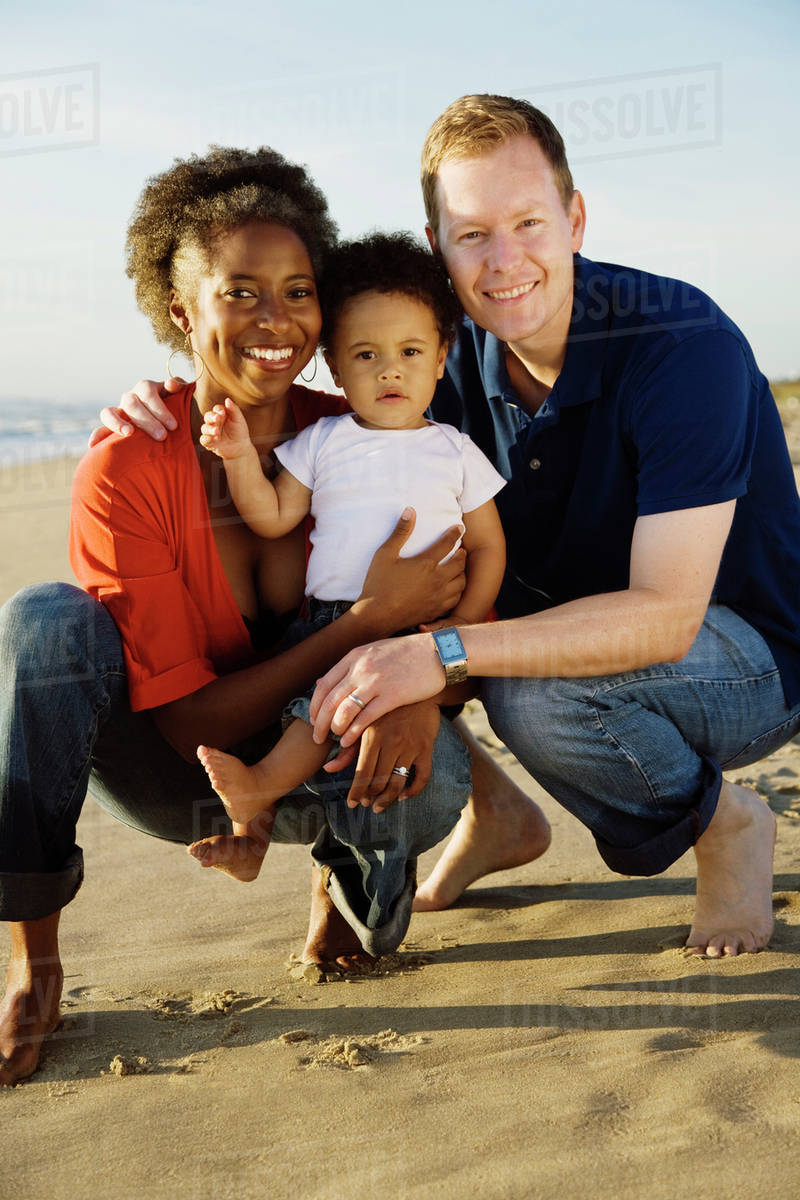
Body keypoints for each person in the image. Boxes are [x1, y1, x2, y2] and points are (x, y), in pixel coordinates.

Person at [0, 146, 485, 1087]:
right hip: (178, 767)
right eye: (241, 292)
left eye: (299, 291)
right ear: (183, 312)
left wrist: (426, 680)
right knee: (46, 622)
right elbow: (186, 723)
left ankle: (340, 880)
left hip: (326, 754)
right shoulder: (129, 463)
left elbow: (450, 583)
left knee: (438, 772)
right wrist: (362, 624)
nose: (276, 321)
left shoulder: (358, 428)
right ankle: (34, 961)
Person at [305, 94, 800, 959]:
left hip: (746, 656)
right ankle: (495, 813)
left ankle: (727, 826)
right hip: (557, 630)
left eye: (528, 222)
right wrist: (173, 412)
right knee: (350, 578)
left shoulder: (680, 344)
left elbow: (666, 614)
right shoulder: (437, 354)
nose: (504, 262)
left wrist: (439, 657)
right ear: (437, 248)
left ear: (573, 218)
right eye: (471, 235)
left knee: (537, 692)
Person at [187, 233, 507, 884]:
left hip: (421, 635)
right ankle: (252, 818)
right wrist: (240, 459)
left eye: (410, 352)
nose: (390, 369)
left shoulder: (453, 449)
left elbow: (489, 546)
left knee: (341, 723)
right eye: (367, 355)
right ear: (335, 367)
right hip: (335, 621)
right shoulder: (324, 440)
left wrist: (459, 632)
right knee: (316, 713)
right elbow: (273, 514)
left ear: (442, 358)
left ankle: (310, 839)